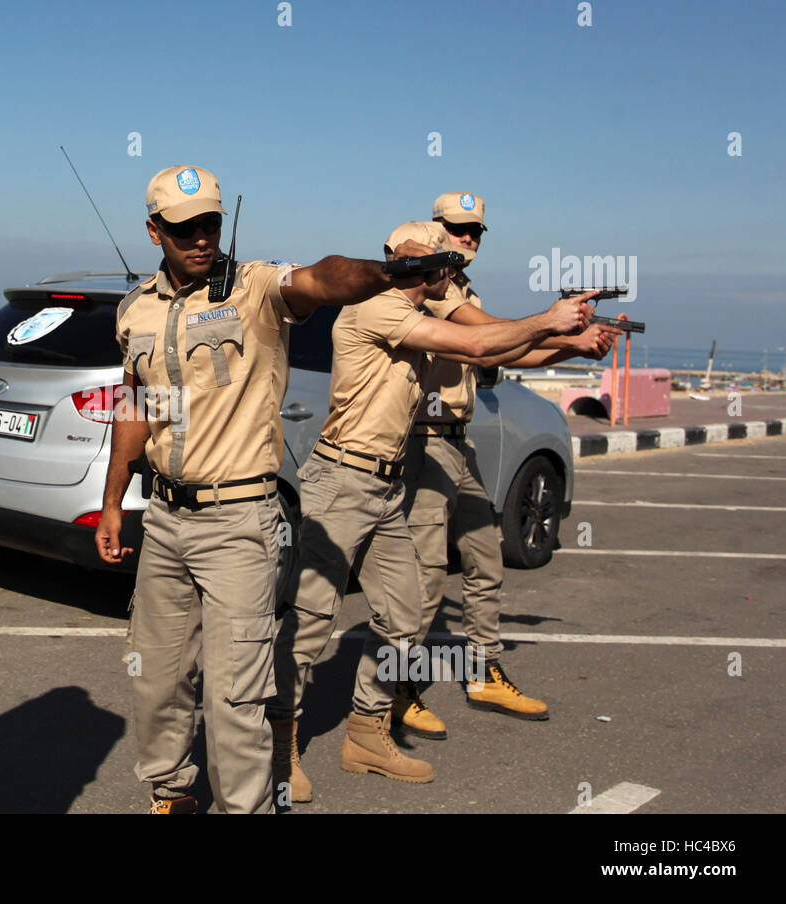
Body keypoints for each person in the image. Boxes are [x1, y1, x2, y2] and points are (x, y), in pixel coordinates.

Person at [93, 166, 436, 814]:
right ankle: (172, 797)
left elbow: (321, 278)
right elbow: (137, 406)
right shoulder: (135, 308)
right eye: (182, 227)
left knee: (234, 700)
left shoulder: (255, 289)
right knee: (157, 682)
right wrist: (114, 503)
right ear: (152, 231)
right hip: (164, 519)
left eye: (210, 224)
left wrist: (385, 274)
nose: (200, 238)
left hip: (239, 525)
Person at [269, 221, 594, 798]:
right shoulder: (378, 307)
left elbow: (496, 346)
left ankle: (367, 734)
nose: (432, 268)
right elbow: (475, 343)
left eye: (437, 260)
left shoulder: (426, 319)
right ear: (392, 261)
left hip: (387, 488)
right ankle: (279, 746)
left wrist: (565, 341)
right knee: (312, 621)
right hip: (343, 481)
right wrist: (549, 319)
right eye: (418, 259)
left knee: (404, 618)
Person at [379, 193, 618, 742]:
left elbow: (511, 352)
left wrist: (574, 347)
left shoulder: (459, 287)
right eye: (458, 228)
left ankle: (484, 670)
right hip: (425, 441)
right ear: (435, 229)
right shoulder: (430, 285)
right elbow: (488, 343)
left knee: (486, 560)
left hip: (455, 443)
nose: (467, 239)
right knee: (427, 575)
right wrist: (559, 326)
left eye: (476, 231)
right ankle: (398, 688)